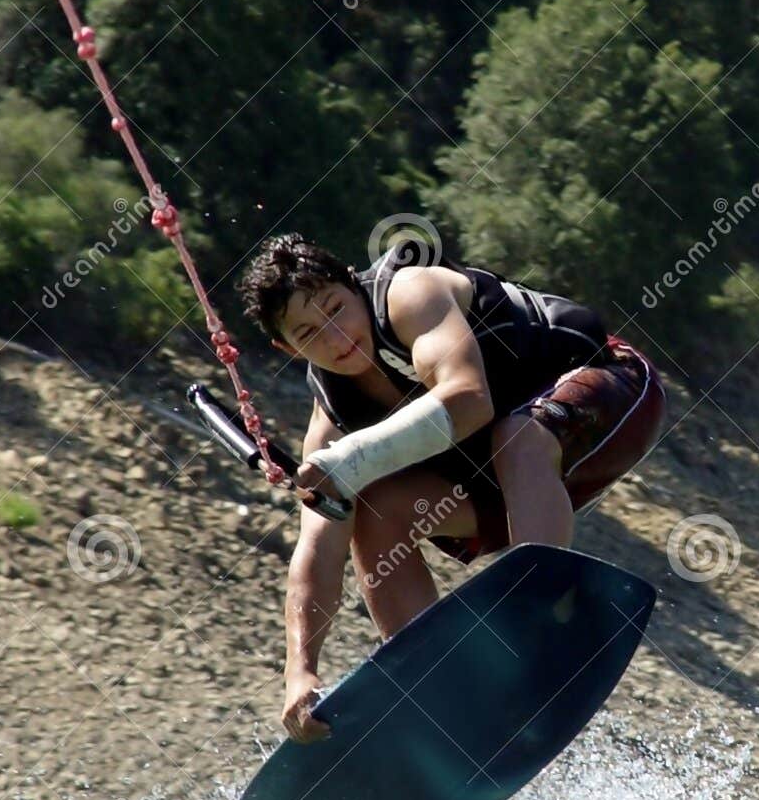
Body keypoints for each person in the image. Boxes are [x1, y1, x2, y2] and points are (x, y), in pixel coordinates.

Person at [236, 232, 665, 742]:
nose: (334, 337)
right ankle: (440, 692)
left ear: (354, 285)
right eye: (308, 334)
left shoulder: (410, 293)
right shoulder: (330, 417)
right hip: (511, 485)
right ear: (288, 349)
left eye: (335, 309)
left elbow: (468, 400)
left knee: (515, 436)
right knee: (370, 509)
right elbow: (316, 550)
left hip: (611, 396)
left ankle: (536, 619)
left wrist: (352, 459)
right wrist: (299, 671)